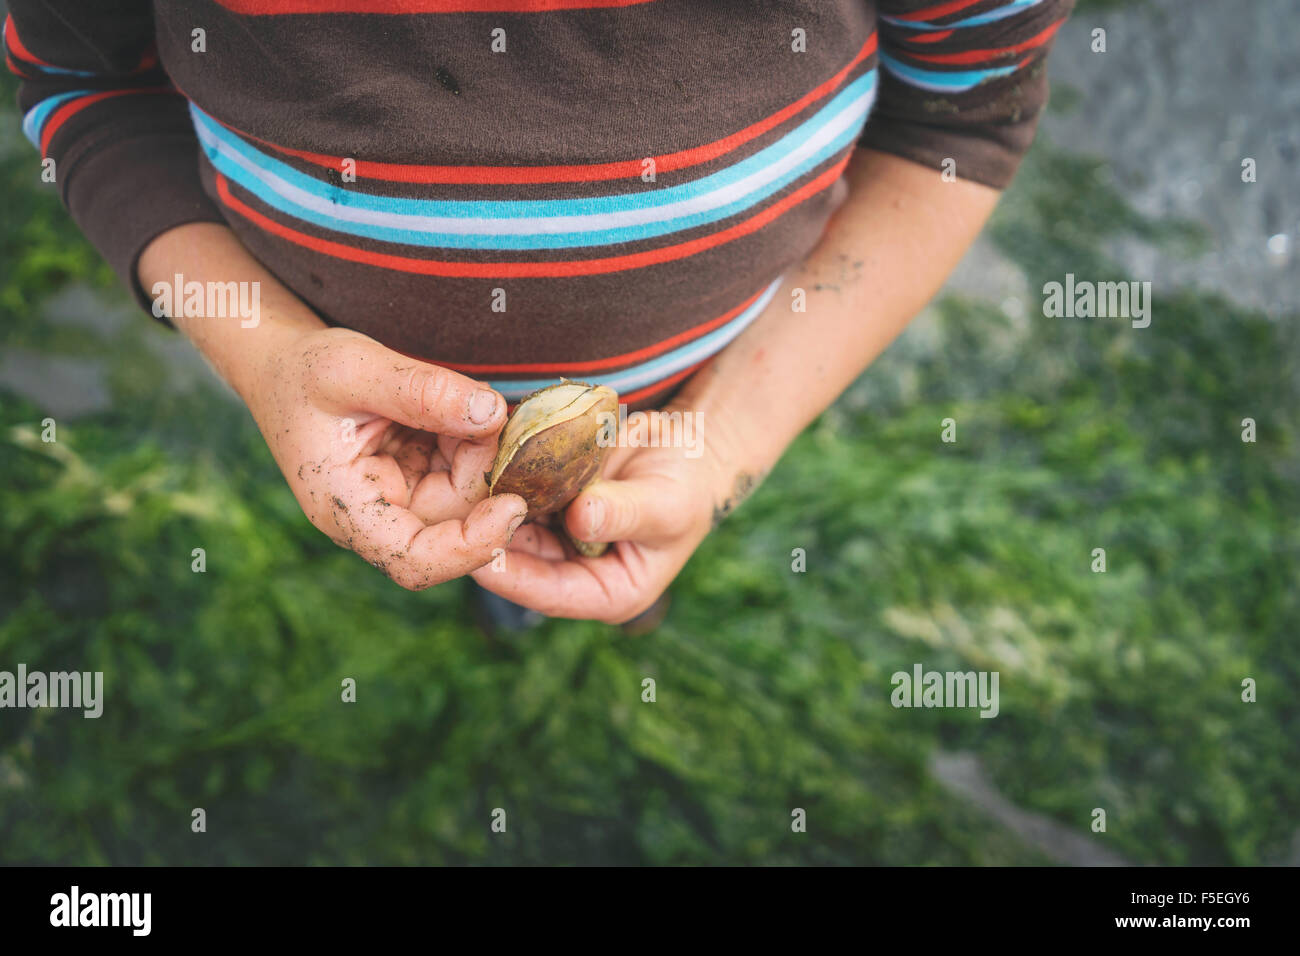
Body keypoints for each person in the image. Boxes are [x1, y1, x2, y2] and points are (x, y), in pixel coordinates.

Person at [6, 0, 1075, 628]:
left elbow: (965, 110)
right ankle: (504, 586)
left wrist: (731, 439)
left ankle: (577, 562)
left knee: (610, 526)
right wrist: (264, 356)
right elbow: (78, 81)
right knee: (450, 538)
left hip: (703, 389)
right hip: (322, 395)